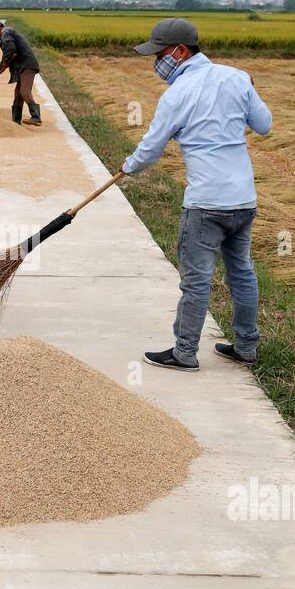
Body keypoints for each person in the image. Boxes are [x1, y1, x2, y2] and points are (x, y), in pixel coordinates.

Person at [121, 18, 272, 371]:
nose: (156, 62)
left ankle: (184, 352)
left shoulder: (177, 95)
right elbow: (264, 125)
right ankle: (246, 347)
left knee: (196, 280)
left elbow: (151, 147)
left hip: (206, 204)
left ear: (179, 51)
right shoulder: (236, 77)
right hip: (243, 201)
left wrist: (128, 167)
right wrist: (251, 89)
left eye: (159, 54)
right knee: (242, 274)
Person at [0, 20, 42, 126]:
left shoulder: (5, 32)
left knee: (24, 91)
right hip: (22, 67)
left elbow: (10, 51)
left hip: (27, 65)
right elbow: (6, 57)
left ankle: (36, 117)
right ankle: (16, 121)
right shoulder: (6, 35)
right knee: (18, 94)